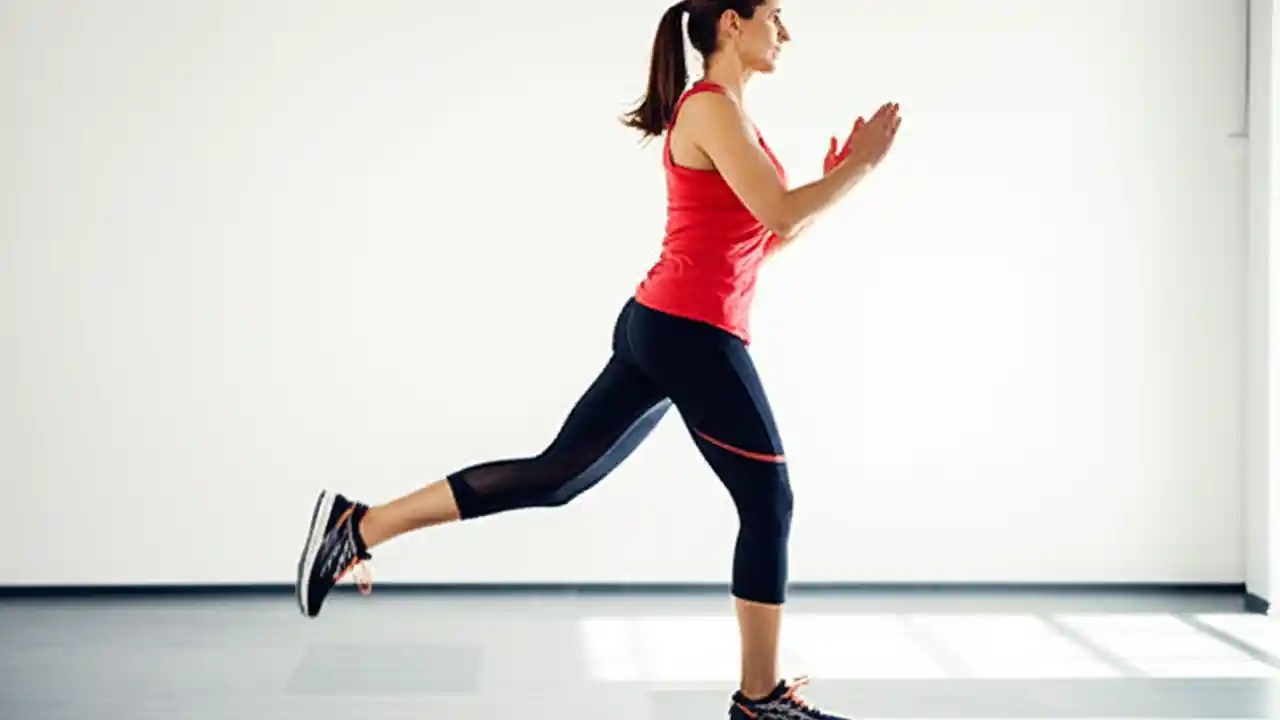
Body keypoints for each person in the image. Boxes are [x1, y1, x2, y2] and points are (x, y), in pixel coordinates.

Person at [295, 0, 901, 717]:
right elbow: (780, 212)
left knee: (557, 476)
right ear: (732, 24)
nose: (786, 32)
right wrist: (858, 168)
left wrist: (826, 187)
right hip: (689, 331)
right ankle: (760, 699)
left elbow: (766, 237)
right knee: (768, 501)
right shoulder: (710, 110)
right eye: (774, 14)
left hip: (668, 325)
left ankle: (358, 526)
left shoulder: (729, 116)